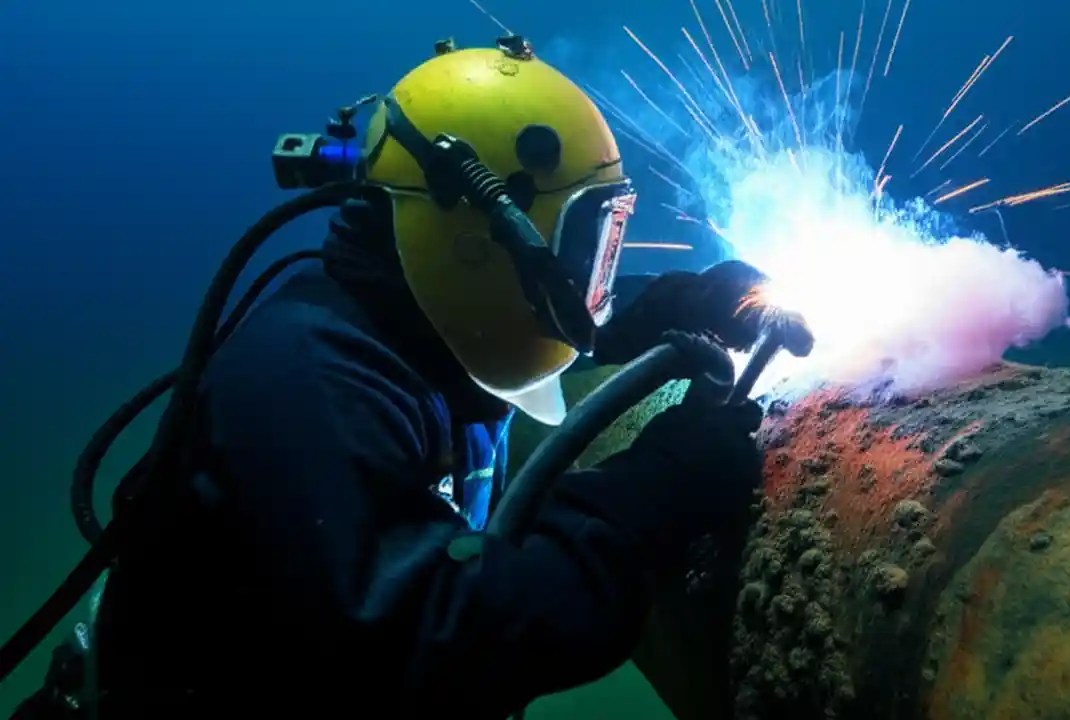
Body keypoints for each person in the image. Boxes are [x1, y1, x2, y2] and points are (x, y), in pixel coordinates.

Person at [11, 40, 773, 719]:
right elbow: (433, 647)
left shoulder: (430, 318)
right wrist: (657, 487)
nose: (593, 282)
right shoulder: (303, 386)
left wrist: (680, 301)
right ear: (480, 241)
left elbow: (543, 301)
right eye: (588, 246)